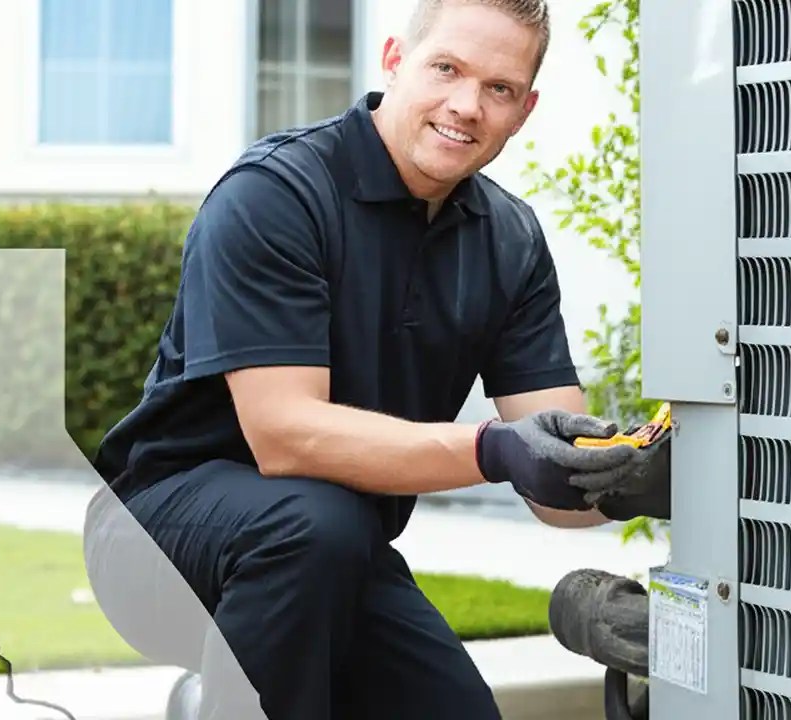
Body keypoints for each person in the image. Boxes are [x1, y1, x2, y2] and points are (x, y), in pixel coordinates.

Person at [85, 1, 660, 718]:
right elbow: (285, 435)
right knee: (313, 521)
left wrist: (636, 475)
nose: (465, 105)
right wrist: (493, 450)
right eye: (446, 68)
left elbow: (555, 479)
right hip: (158, 544)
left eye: (499, 89)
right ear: (394, 59)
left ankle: (218, 697)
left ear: (525, 109)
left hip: (335, 551)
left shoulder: (508, 240)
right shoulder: (278, 192)